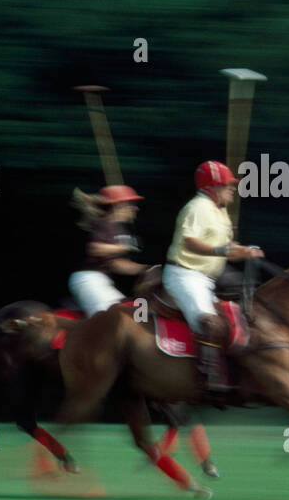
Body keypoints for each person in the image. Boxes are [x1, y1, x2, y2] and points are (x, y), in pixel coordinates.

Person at [163, 161, 262, 396]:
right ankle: (207, 379)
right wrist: (222, 251)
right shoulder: (197, 207)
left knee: (248, 311)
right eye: (228, 185)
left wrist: (247, 252)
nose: (233, 189)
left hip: (210, 277)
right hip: (185, 274)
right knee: (210, 323)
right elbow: (190, 241)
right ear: (212, 186)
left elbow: (228, 249)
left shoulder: (220, 211)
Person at [68, 184, 147, 315]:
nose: (135, 208)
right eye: (131, 204)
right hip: (87, 278)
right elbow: (96, 249)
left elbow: (117, 265)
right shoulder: (102, 223)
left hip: (102, 280)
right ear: (118, 206)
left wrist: (146, 269)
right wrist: (124, 247)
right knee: (109, 316)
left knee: (129, 314)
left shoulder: (121, 230)